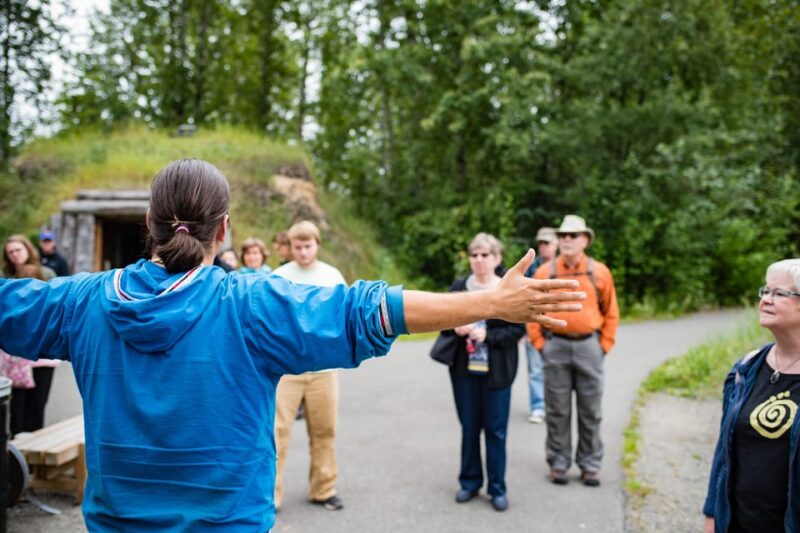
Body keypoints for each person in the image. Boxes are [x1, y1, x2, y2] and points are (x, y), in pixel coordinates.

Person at [0, 158, 585, 531]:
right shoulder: (250, 304)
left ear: (148, 221)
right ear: (223, 229)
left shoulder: (83, 302)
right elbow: (370, 310)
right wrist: (489, 302)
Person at [704, 259, 800, 533]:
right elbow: (723, 453)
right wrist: (712, 515)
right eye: (765, 291)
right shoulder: (745, 369)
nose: (766, 299)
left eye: (779, 293)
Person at [527, 214, 619, 487]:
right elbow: (532, 311)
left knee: (590, 410)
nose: (567, 239)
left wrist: (603, 345)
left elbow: (611, 311)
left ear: (585, 240)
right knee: (557, 410)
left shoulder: (599, 272)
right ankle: (558, 463)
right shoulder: (545, 272)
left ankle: (590, 464)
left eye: (573, 235)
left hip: (589, 346)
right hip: (554, 345)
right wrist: (540, 344)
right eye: (563, 235)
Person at [441, 233, 526, 512]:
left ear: (497, 258)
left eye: (485, 255)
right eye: (474, 255)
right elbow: (440, 320)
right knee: (469, 428)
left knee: (496, 431)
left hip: (497, 371)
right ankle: (469, 482)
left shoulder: (506, 289)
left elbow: (518, 330)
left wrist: (488, 335)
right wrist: (455, 327)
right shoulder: (459, 287)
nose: (479, 260)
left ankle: (497, 488)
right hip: (464, 371)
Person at [272, 220, 349, 511]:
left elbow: (344, 317)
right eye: (297, 247)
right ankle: (271, 495)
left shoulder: (332, 276)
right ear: (289, 248)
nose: (303, 252)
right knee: (277, 432)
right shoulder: (279, 276)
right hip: (287, 369)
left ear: (317, 244)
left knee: (324, 430)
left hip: (323, 369)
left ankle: (323, 489)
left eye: (307, 246)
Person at [3, 237, 59, 435]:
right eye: (10, 252)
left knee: (37, 405)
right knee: (16, 406)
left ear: (27, 249)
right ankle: (16, 447)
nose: (15, 255)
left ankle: (34, 444)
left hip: (42, 351)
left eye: (18, 250)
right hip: (14, 355)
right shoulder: (5, 276)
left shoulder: (46, 274)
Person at [525, 227, 558, 424]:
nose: (543, 247)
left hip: (557, 327)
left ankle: (555, 407)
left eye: (547, 243)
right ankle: (538, 407)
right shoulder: (531, 269)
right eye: (540, 243)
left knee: (557, 370)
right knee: (535, 369)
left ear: (556, 244)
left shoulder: (563, 267)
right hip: (535, 324)